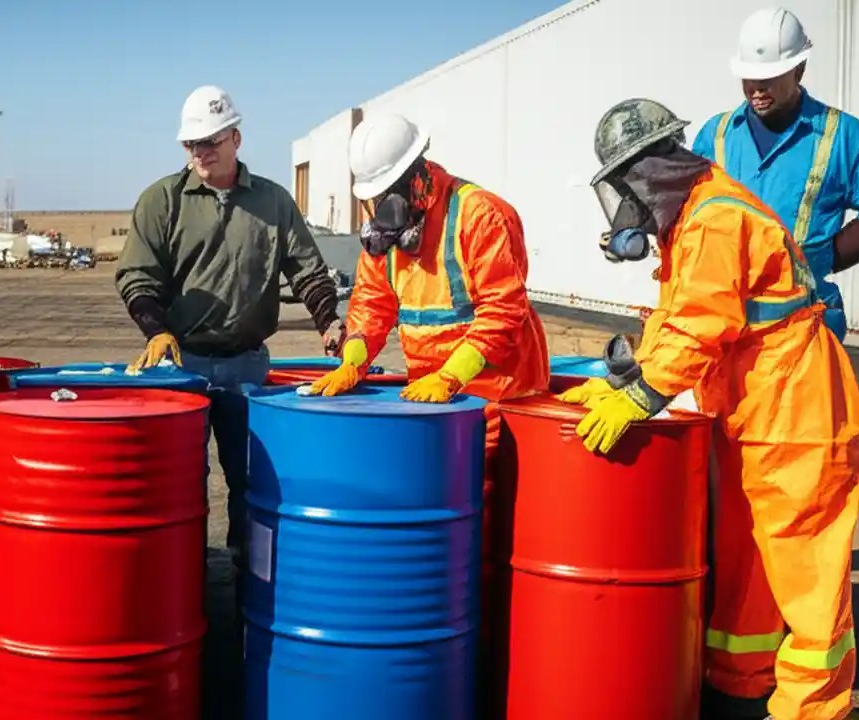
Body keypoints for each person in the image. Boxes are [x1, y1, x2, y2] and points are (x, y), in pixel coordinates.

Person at [564, 97, 859, 720]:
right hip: (755, 403)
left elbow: (701, 325)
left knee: (802, 562)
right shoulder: (695, 215)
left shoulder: (715, 219)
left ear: (648, 171)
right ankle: (740, 682)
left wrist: (640, 397)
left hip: (797, 408)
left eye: (627, 186)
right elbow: (676, 319)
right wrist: (630, 377)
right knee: (746, 551)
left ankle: (812, 707)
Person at [301, 113, 549, 711]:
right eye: (371, 201)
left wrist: (453, 376)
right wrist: (353, 358)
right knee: (445, 550)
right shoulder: (383, 239)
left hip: (500, 403)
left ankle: (491, 673)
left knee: (490, 547)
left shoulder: (481, 216)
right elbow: (370, 304)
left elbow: (502, 312)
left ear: (418, 181)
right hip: (437, 413)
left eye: (387, 197)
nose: (379, 212)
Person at [114, 85, 344, 563]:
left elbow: (307, 269)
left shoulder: (274, 202)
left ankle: (248, 572)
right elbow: (137, 276)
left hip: (246, 367)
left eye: (211, 142)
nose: (200, 152)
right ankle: (181, 570)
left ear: (236, 139)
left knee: (253, 479)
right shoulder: (161, 201)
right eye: (191, 144)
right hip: (180, 366)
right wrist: (156, 330)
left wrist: (329, 321)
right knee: (177, 480)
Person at [692, 6, 859, 343]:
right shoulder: (714, 135)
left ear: (799, 69)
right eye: (749, 77)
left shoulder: (846, 138)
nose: (757, 89)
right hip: (723, 328)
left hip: (801, 327)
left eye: (770, 78)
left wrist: (820, 259)